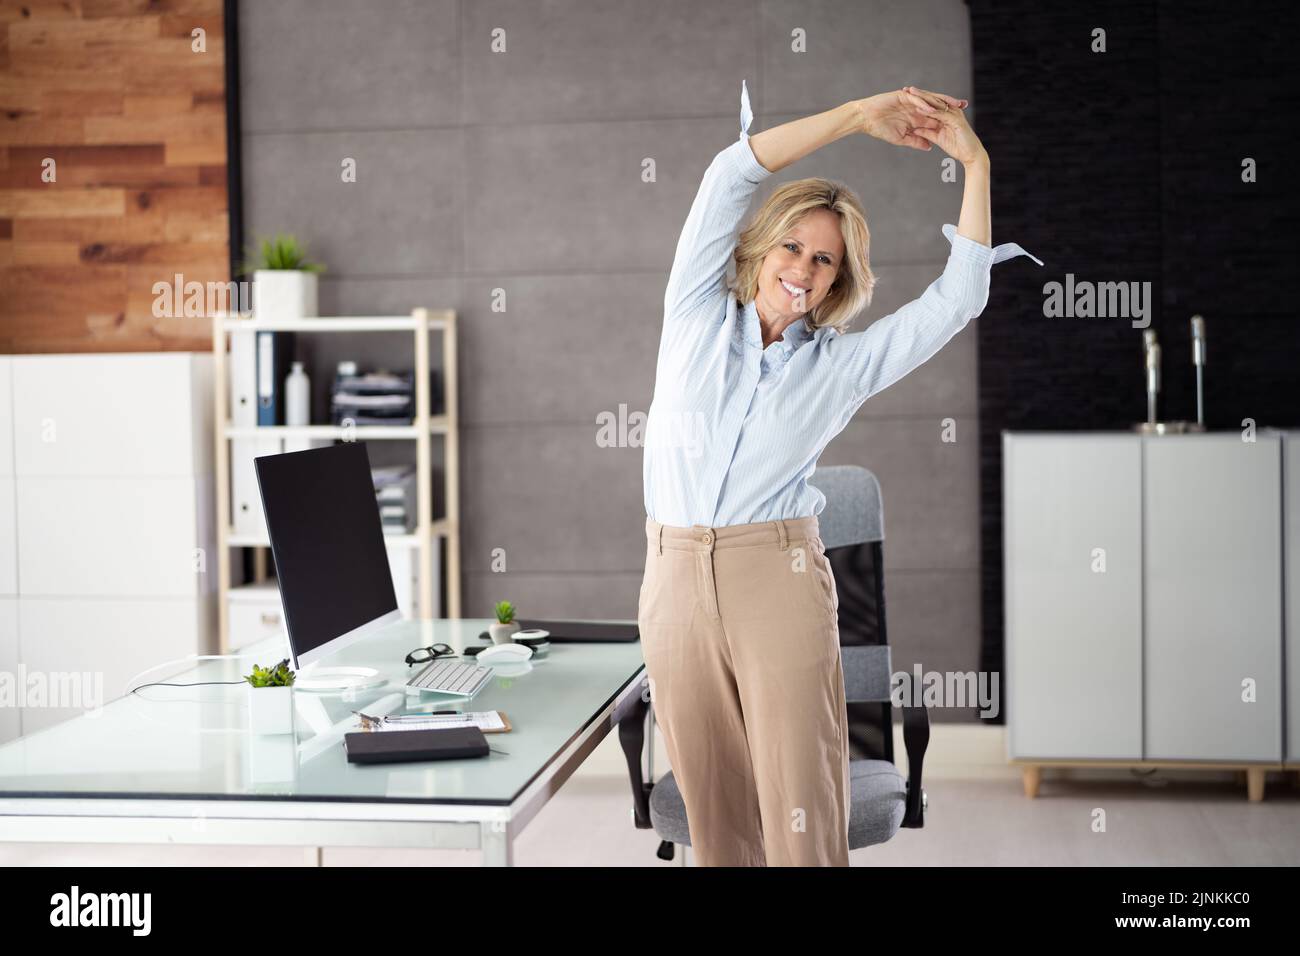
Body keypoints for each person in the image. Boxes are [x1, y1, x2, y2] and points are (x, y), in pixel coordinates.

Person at [637, 80, 1040, 867]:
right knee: (716, 819)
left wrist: (976, 166)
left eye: (825, 259)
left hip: (776, 580)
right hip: (672, 577)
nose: (804, 267)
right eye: (792, 246)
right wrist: (858, 117)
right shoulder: (692, 312)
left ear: (839, 280)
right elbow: (731, 173)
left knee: (800, 816)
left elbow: (960, 297)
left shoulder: (842, 366)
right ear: (760, 249)